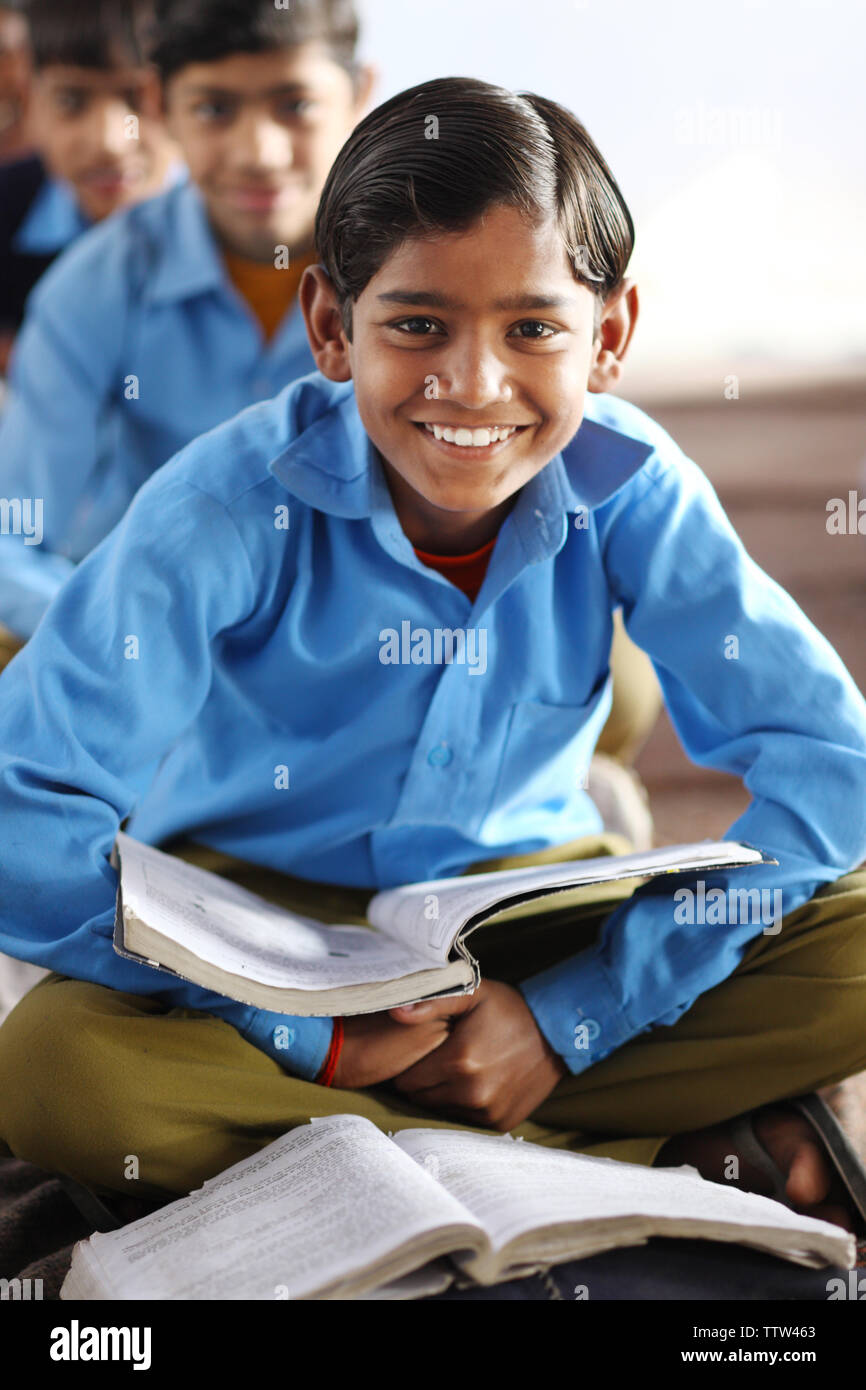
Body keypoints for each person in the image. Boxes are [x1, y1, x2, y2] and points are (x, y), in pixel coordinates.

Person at [8, 76, 856, 1236]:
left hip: (526, 911)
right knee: (57, 1071)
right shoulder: (219, 505)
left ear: (607, 337)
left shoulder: (634, 486)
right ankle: (654, 1153)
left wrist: (571, 1012)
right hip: (257, 921)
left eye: (532, 329)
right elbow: (21, 807)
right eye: (414, 326)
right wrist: (312, 1029)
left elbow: (830, 763)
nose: (471, 385)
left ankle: (475, 1117)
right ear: (328, 328)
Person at [0, 0, 375, 653]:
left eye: (295, 105)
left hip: (353, 636)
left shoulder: (424, 275)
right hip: (142, 627)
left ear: (360, 94)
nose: (258, 153)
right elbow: (16, 535)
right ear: (160, 103)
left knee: (615, 691)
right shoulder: (94, 284)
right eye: (214, 110)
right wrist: (119, 635)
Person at [0, 0, 179, 371]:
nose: (110, 142)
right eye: (71, 100)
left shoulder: (248, 226)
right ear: (28, 96)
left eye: (138, 98)